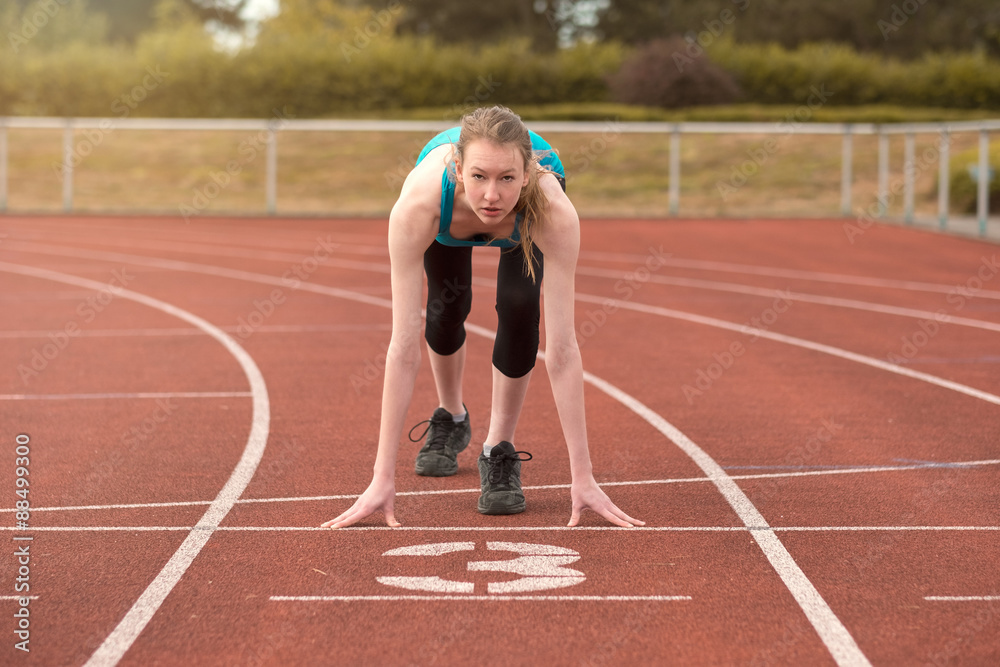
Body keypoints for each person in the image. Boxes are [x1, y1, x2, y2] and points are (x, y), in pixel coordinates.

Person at [322, 105, 643, 529]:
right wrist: (382, 478)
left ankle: (498, 447)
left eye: (506, 178)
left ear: (527, 174)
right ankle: (451, 416)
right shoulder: (418, 206)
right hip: (445, 213)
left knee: (519, 307)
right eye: (479, 177)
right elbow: (402, 345)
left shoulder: (553, 212)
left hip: (527, 214)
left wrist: (583, 478)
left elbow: (563, 349)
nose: (492, 195)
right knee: (447, 307)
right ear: (457, 169)